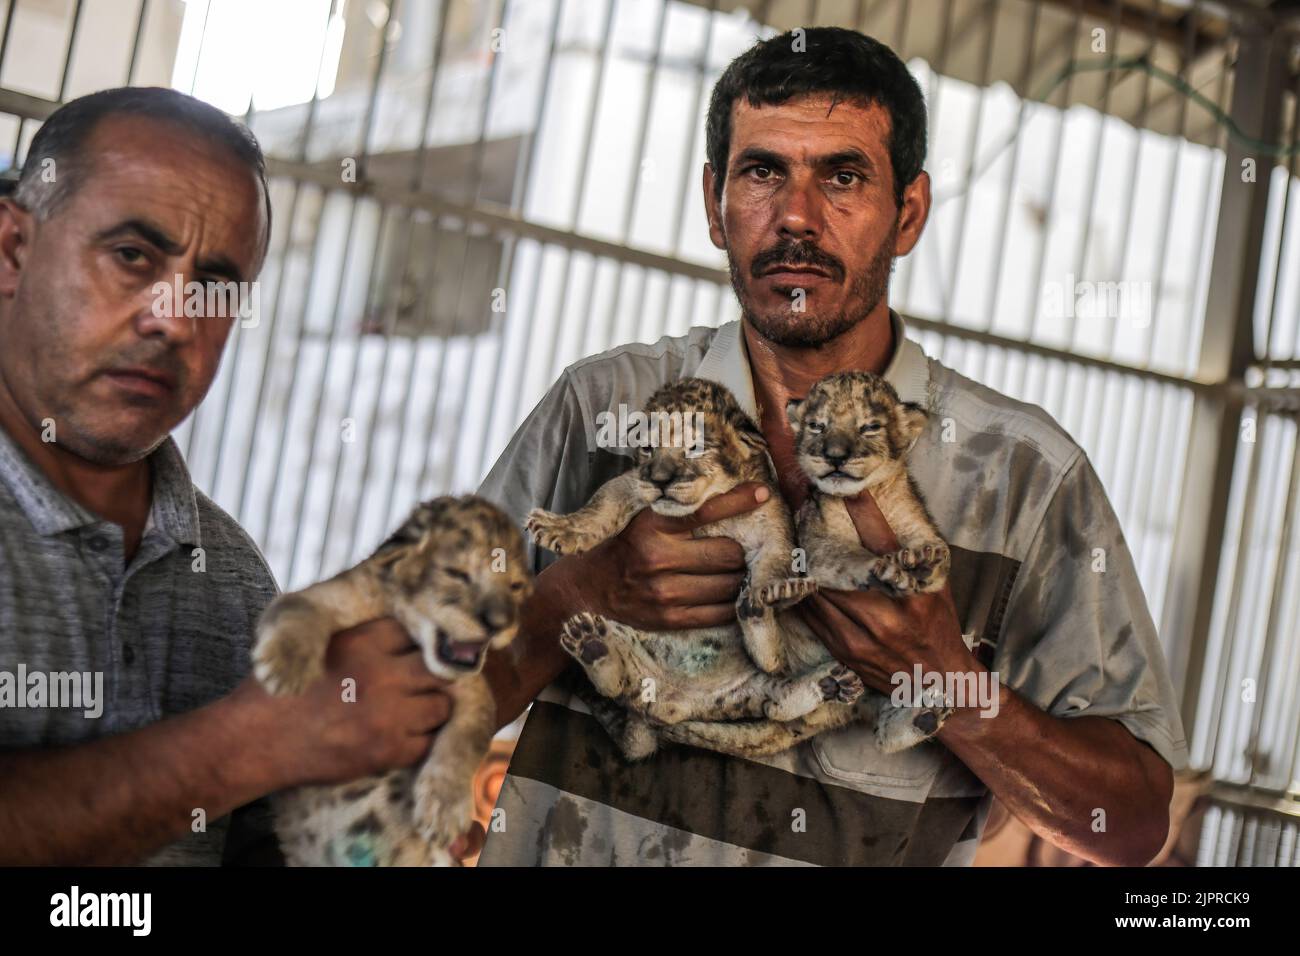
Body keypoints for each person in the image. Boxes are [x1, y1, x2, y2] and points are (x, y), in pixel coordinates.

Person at [475, 27, 1189, 866]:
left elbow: (1131, 823)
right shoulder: (602, 411)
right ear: (714, 204)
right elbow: (395, 708)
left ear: (908, 214)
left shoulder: (1024, 480)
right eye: (763, 172)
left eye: (843, 177)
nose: (797, 219)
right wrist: (570, 598)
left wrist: (943, 677)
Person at [0, 87, 476, 865]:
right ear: (13, 251)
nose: (176, 318)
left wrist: (365, 829)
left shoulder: (227, 575)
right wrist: (252, 741)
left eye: (218, 286)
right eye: (133, 257)